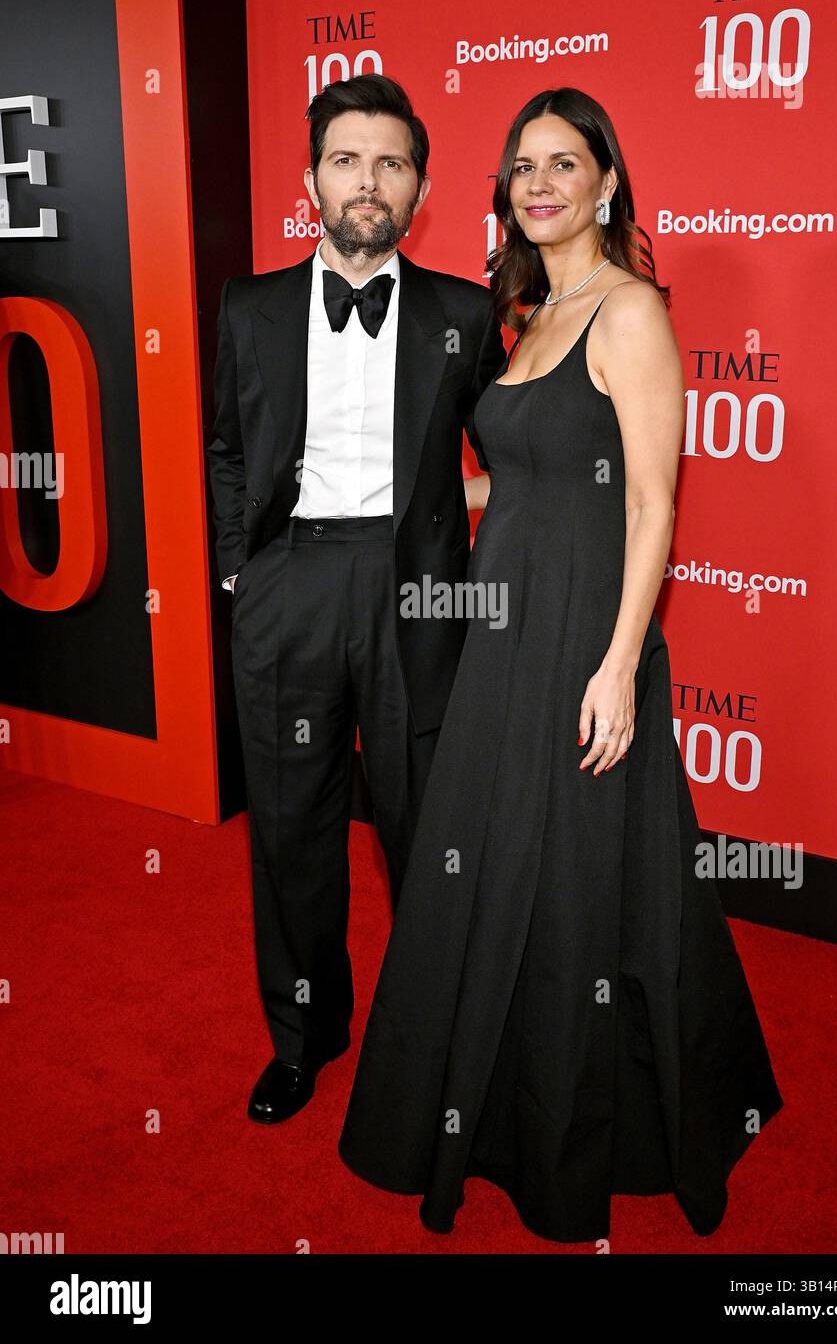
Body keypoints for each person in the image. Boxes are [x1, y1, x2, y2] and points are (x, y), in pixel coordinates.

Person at [338, 87, 784, 1243]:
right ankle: (485, 1113)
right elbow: (523, 474)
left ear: (606, 183)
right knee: (504, 865)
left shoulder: (629, 311)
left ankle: (607, 1126)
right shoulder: (532, 308)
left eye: (563, 164)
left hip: (586, 632)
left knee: (595, 879)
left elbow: (652, 502)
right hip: (506, 631)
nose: (539, 184)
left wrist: (621, 662)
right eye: (522, 168)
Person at [206, 74, 506, 1125]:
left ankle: (435, 1040)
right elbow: (227, 448)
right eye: (346, 159)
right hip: (289, 588)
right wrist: (243, 571)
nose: (366, 181)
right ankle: (305, 1035)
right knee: (289, 829)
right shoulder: (250, 304)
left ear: (418, 187)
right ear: (311, 179)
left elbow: (508, 452)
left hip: (415, 591)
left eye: (389, 162)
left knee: (427, 826)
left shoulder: (463, 313)